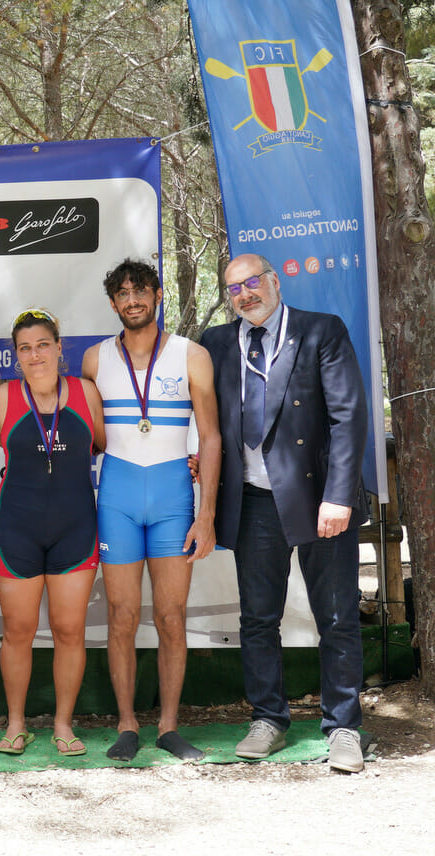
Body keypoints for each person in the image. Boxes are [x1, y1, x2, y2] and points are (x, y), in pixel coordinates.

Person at [200, 253, 369, 773]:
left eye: (252, 282)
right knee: (257, 620)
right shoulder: (216, 343)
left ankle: (343, 727)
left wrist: (339, 496)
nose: (245, 294)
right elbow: (204, 417)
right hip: (253, 501)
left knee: (337, 618)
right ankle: (268, 719)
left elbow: (348, 416)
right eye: (234, 288)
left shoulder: (321, 331)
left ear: (274, 281)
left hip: (319, 499)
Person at [81, 259, 220, 762]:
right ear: (113, 303)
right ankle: (126, 724)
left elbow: (210, 438)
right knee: (120, 615)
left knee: (171, 616)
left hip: (172, 501)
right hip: (117, 499)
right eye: (123, 293)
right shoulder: (95, 359)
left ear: (158, 295)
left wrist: (206, 516)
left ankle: (168, 726)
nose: (133, 300)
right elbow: (88, 436)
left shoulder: (192, 355)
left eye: (140, 290)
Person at [0, 308, 105, 756]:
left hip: (75, 530)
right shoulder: (3, 398)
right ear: (16, 356)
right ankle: (16, 724)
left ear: (58, 347)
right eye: (25, 348)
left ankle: (63, 725)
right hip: (17, 530)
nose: (35, 355)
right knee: (18, 630)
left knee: (70, 630)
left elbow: (113, 444)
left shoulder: (86, 393)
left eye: (43, 345)